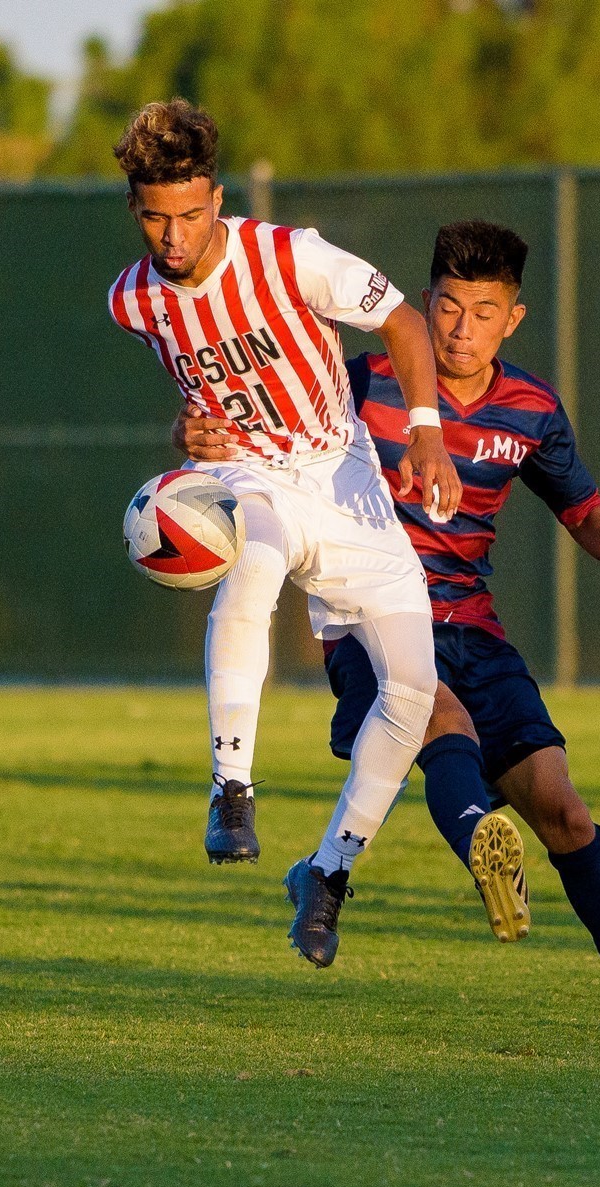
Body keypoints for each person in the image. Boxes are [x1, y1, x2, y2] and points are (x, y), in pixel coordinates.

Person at [176, 220, 600, 1039]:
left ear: (514, 319)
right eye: (449, 308)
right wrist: (190, 436)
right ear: (424, 304)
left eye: (483, 312)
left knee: (566, 812)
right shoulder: (355, 385)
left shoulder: (531, 409)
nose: (461, 330)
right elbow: (246, 442)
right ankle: (481, 845)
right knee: (439, 717)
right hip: (367, 617)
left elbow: (579, 502)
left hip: (474, 625)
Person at [106, 98, 463, 967]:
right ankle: (232, 784)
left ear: (217, 198)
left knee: (413, 690)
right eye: (156, 217)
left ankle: (327, 874)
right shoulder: (133, 301)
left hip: (345, 478)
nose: (175, 236)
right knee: (254, 557)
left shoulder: (289, 256)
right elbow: (198, 404)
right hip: (251, 479)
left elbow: (402, 321)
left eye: (191, 214)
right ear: (136, 211)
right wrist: (187, 439)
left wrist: (424, 427)